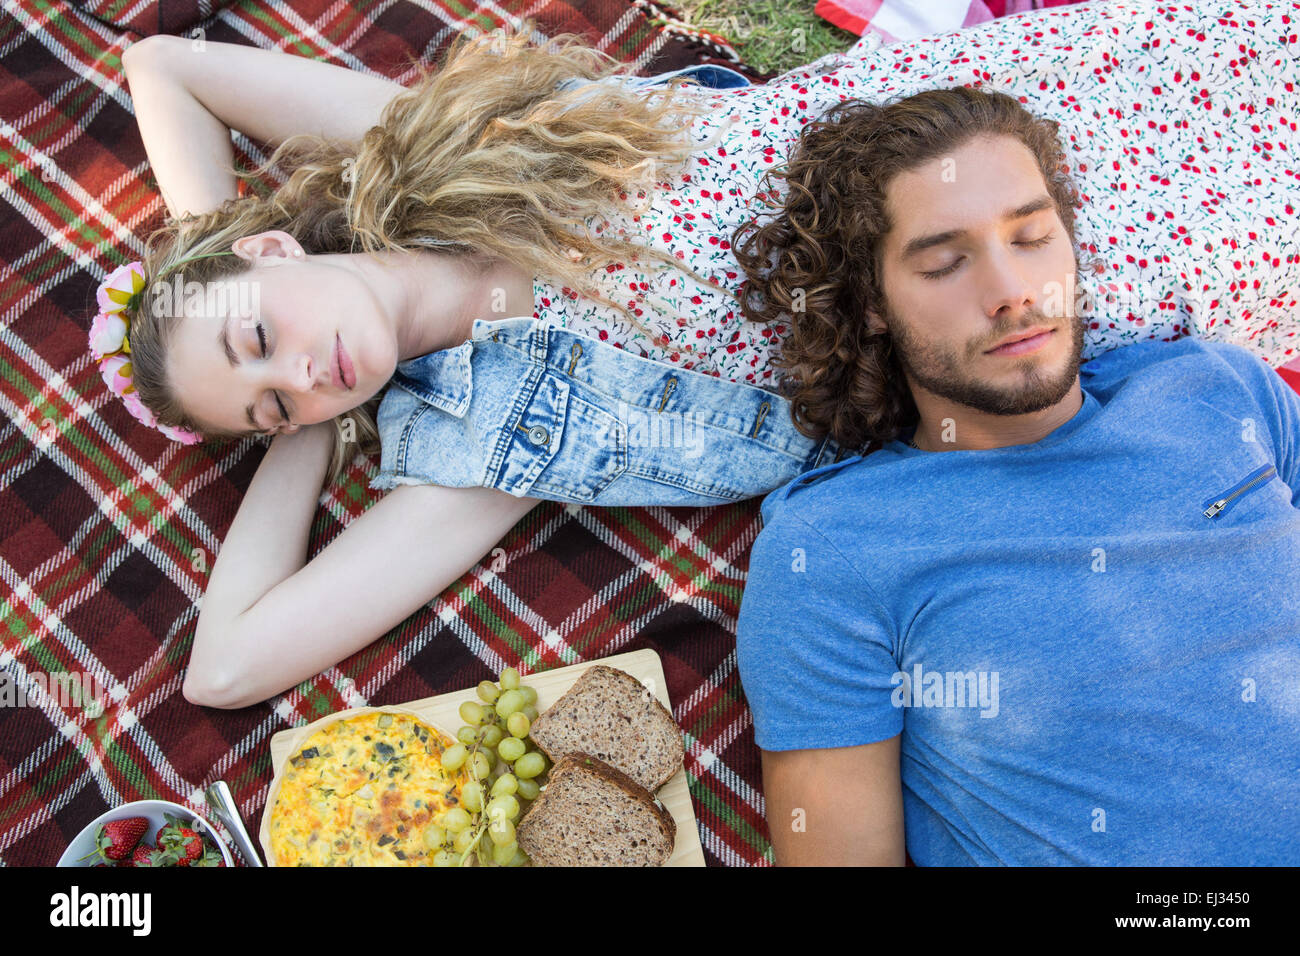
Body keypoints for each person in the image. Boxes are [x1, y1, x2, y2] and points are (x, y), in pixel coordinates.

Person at [98, 2, 1299, 709]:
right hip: (1034, 274)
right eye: (264, 406)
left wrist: (192, 254)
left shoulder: (421, 161)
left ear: (269, 244)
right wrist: (302, 424)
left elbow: (165, 65)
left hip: (979, 122)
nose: (303, 373)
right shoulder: (466, 451)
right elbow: (225, 665)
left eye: (262, 336)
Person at [732, 81, 1300, 864]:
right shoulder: (831, 550)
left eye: (1032, 237)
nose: (1012, 294)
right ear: (870, 304)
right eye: (943, 264)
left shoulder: (1221, 388)